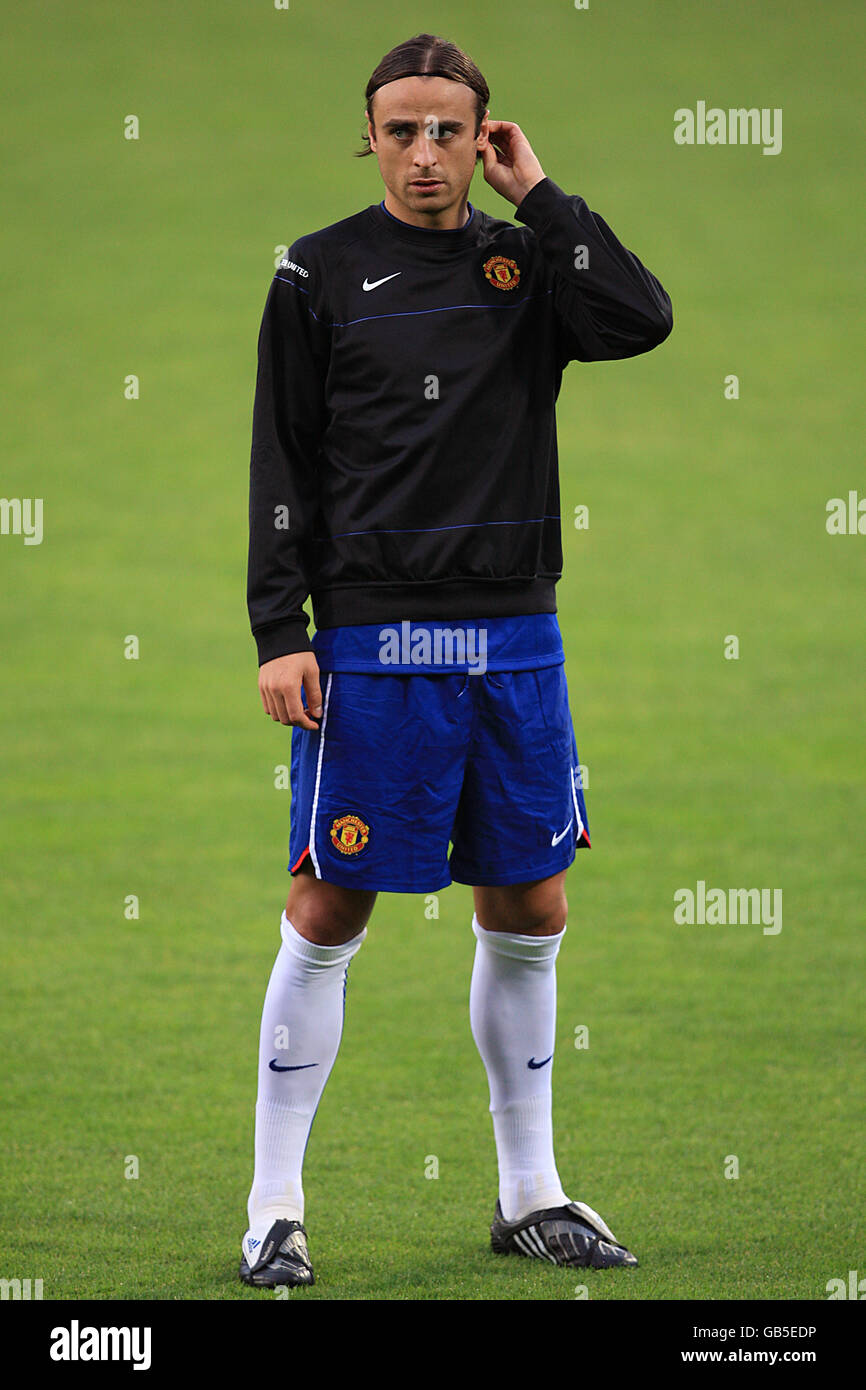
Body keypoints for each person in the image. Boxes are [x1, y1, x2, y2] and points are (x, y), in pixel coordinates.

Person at [240, 32, 672, 1288]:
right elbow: (282, 460)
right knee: (330, 903)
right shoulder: (314, 273)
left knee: (531, 904)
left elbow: (639, 317)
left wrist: (539, 194)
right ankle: (275, 1205)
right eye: (401, 130)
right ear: (366, 136)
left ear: (481, 137)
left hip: (515, 640)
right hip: (374, 645)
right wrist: (282, 631)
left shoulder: (529, 264)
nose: (425, 155)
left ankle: (527, 1191)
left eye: (450, 132)